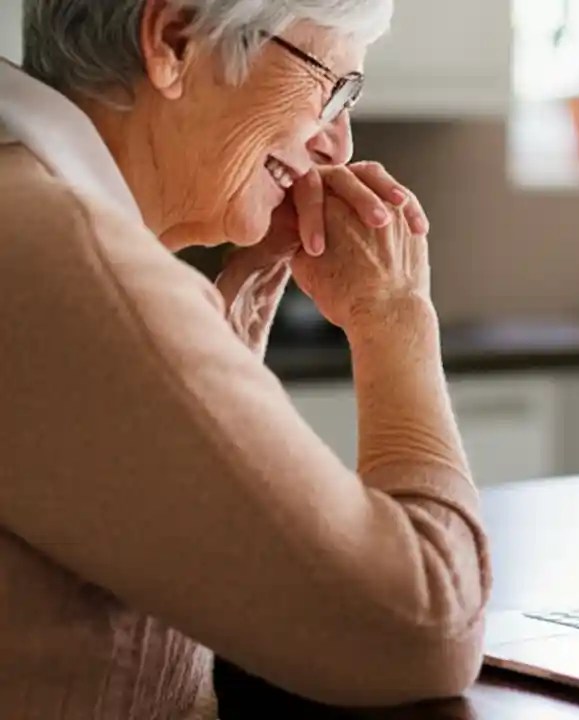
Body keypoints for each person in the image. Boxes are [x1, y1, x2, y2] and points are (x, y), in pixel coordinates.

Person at [0, 1, 490, 717]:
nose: (337, 143)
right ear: (173, 40)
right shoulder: (58, 255)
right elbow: (422, 628)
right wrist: (396, 317)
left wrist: (256, 274)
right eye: (331, 82)